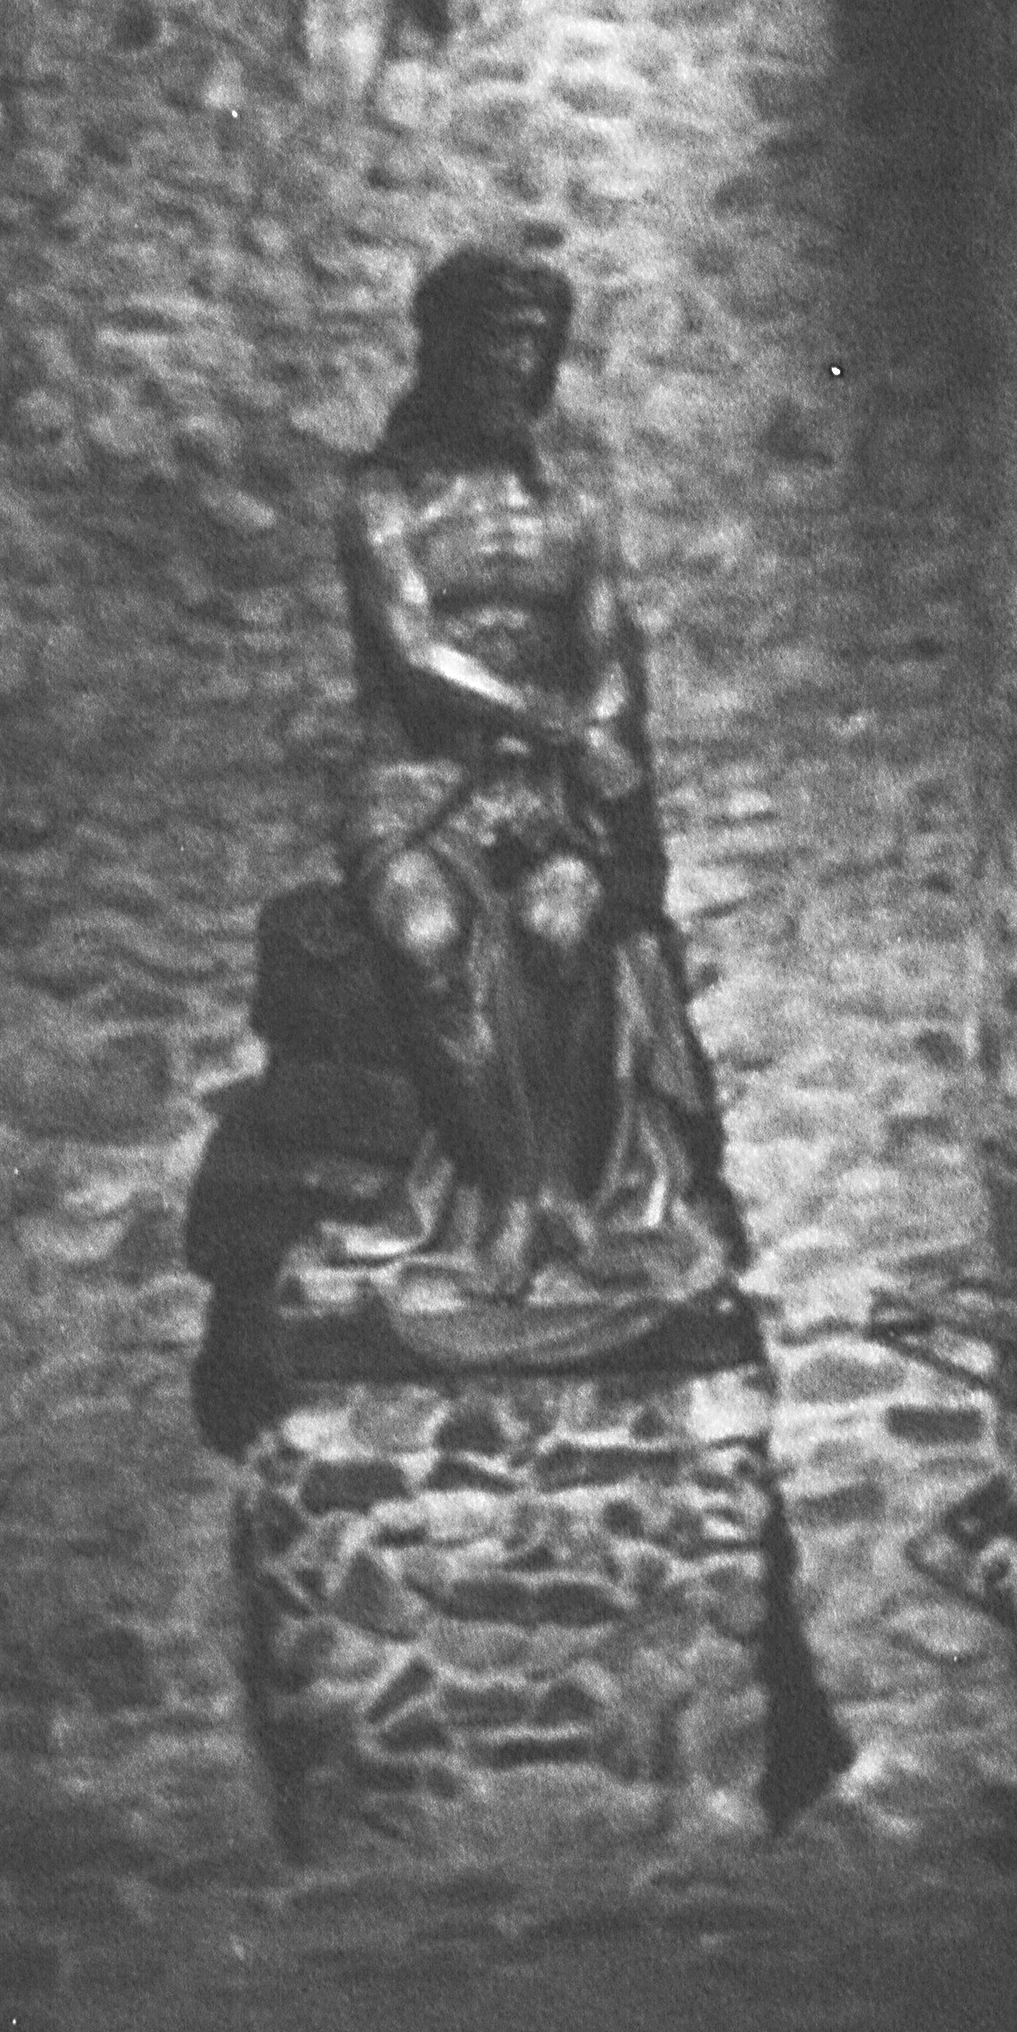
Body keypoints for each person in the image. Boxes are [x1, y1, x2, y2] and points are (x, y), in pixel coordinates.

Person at [294, 241, 736, 1350]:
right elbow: (412, 656)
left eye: (529, 354)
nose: (508, 372)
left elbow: (604, 649)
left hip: (544, 790)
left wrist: (593, 731)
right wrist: (550, 722)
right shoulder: (381, 501)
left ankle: (562, 1201)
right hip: (418, 783)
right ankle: (498, 1195)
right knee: (423, 933)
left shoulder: (573, 512)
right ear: (444, 357)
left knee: (561, 924)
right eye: (490, 350)